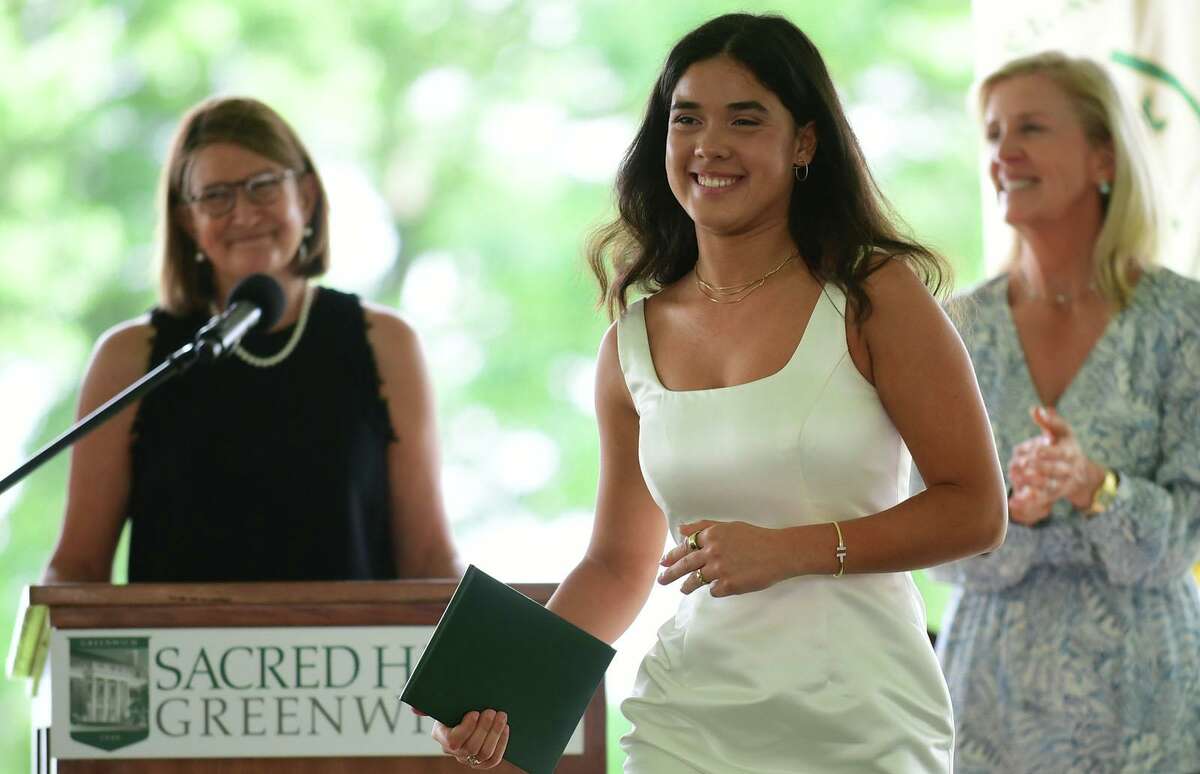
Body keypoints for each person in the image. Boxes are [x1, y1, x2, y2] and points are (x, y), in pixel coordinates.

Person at [426, 14, 1007, 772]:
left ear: (803, 143)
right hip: (686, 725)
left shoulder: (872, 296)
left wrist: (793, 550)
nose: (710, 145)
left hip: (862, 727)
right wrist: (501, 696)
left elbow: (975, 508)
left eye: (745, 119)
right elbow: (615, 565)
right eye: (687, 119)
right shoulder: (629, 344)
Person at [44, 97, 460, 583]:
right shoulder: (131, 359)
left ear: (305, 197)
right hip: (175, 659)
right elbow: (77, 567)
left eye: (263, 187)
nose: (242, 213)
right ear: (188, 222)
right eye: (215, 196)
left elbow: (429, 560)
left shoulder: (385, 345)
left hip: (349, 658)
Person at [930, 52, 1200, 772]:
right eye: (992, 135)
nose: (1003, 153)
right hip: (990, 694)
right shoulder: (952, 329)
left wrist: (1095, 487)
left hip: (1145, 698)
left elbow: (1182, 542)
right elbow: (926, 539)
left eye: (1031, 129)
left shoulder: (1183, 320)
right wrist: (1013, 513)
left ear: (1103, 155)